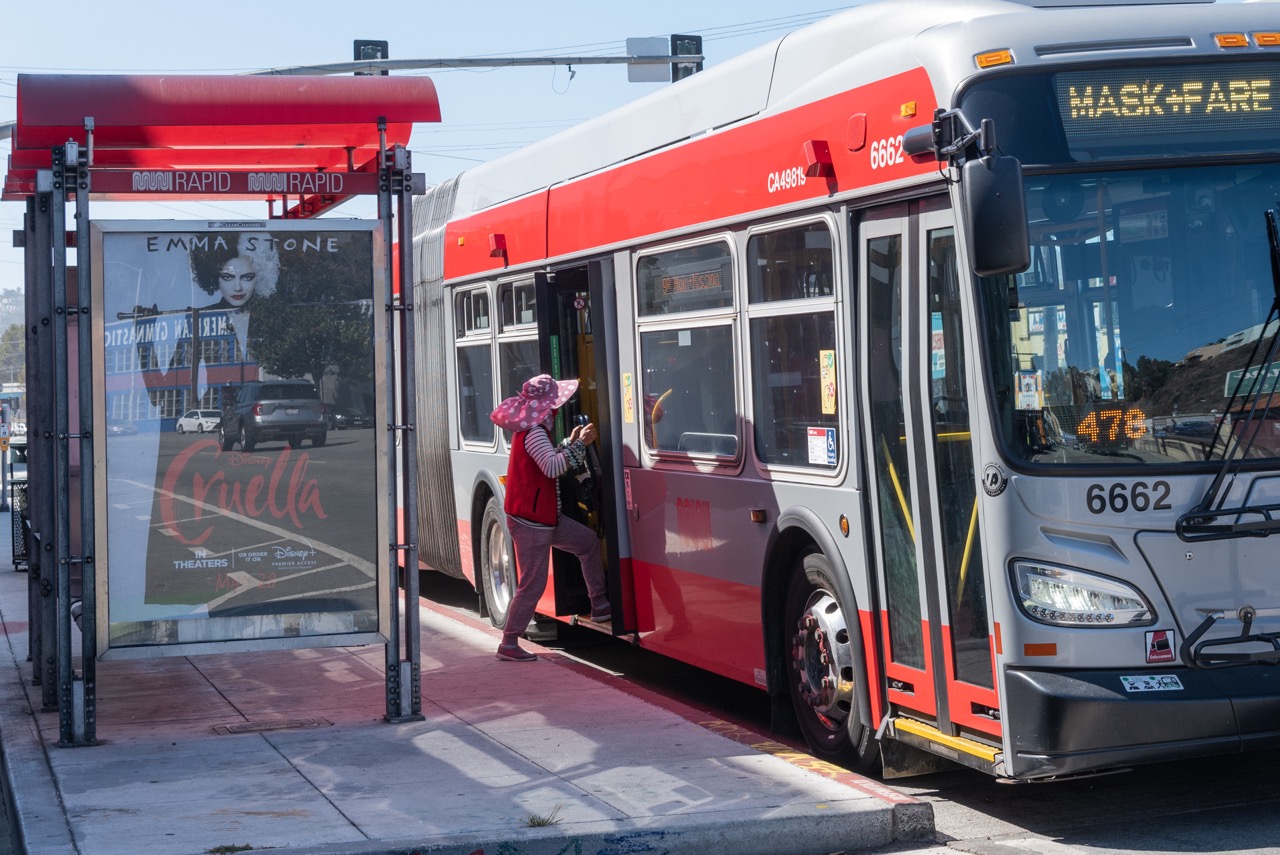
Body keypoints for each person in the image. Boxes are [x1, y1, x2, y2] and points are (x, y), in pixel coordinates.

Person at [489, 374, 611, 662]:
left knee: (587, 542)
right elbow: (553, 467)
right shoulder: (535, 432)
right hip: (533, 522)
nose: (557, 410)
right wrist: (579, 445)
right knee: (533, 582)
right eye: (554, 405)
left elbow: (547, 459)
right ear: (547, 408)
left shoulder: (531, 430)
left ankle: (600, 604)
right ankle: (508, 643)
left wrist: (569, 442)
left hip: (543, 518)